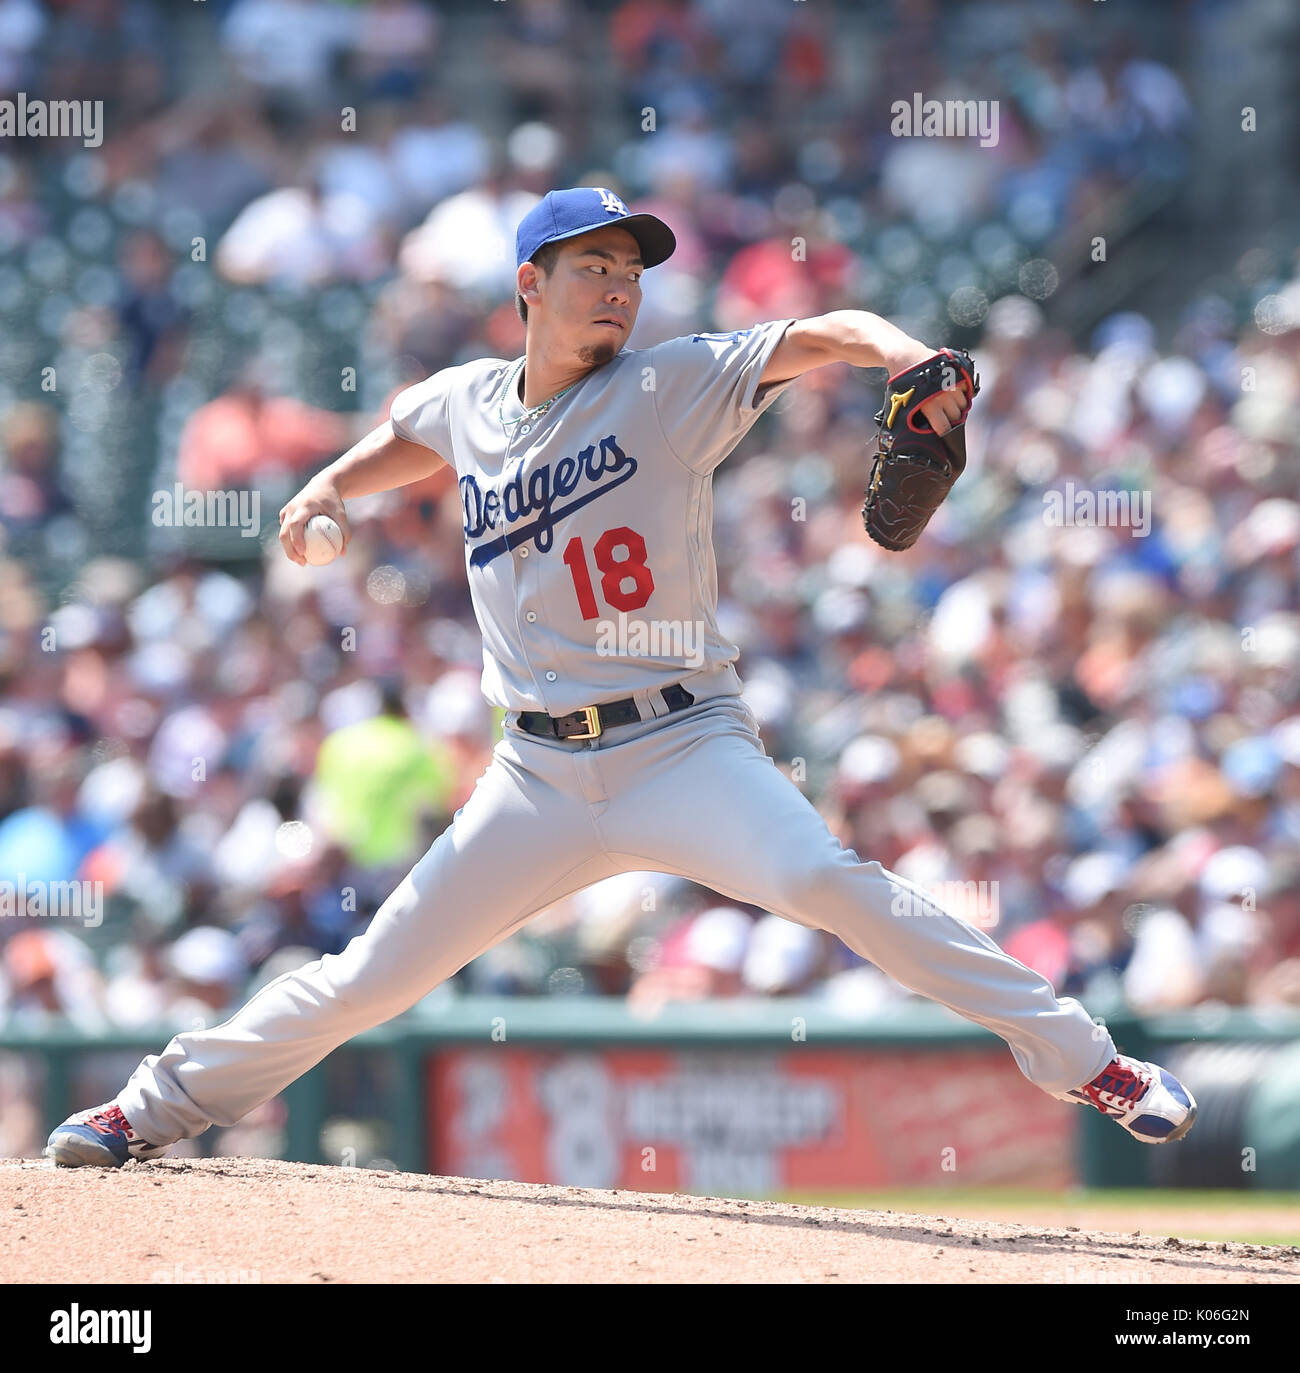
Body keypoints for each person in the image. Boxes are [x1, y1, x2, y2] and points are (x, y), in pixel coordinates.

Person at [47, 187, 1196, 1169]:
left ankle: (1092, 1062)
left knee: (831, 882)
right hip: (536, 770)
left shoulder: (669, 384)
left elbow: (822, 330)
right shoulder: (471, 399)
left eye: (631, 270)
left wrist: (901, 354)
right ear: (528, 288)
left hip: (683, 743)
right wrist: (329, 489)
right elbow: (410, 428)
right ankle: (148, 1110)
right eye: (592, 265)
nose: (619, 286)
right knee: (367, 978)